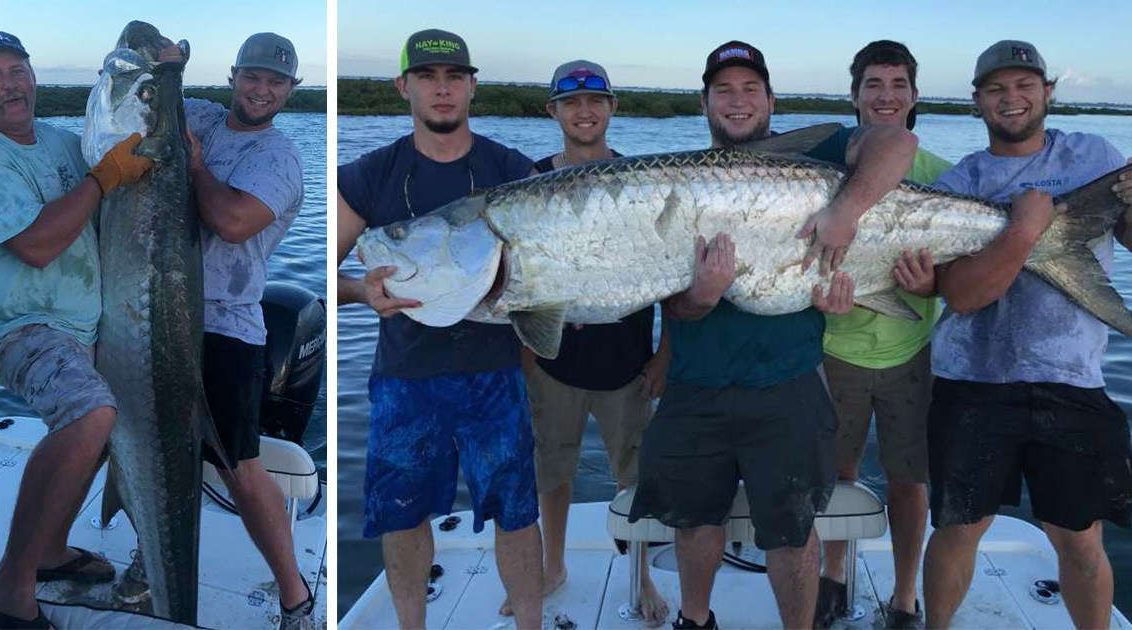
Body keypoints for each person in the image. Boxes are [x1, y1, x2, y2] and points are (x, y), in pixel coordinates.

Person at [627, 40, 918, 630]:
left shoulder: (830, 150)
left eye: (750, 89)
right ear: (705, 103)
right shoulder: (670, 183)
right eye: (724, 91)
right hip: (695, 383)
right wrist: (702, 296)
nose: (738, 102)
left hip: (788, 381)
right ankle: (695, 618)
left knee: (793, 529)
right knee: (693, 519)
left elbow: (897, 143)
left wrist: (846, 210)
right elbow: (675, 306)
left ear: (771, 100)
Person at [0, 30, 152, 629]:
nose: (10, 83)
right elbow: (35, 246)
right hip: (18, 330)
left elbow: (131, 149)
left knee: (101, 427)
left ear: (34, 77)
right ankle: (9, 586)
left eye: (18, 69)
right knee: (91, 414)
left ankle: (53, 551)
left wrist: (163, 76)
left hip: (82, 325)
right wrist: (101, 180)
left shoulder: (63, 142)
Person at [336, 28, 544, 629]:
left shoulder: (511, 169)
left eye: (455, 76)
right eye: (427, 77)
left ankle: (529, 623)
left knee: (515, 513)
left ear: (473, 85)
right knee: (401, 516)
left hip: (495, 374)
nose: (442, 89)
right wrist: (360, 291)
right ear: (404, 86)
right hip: (405, 378)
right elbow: (328, 269)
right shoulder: (370, 175)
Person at [921, 40, 1132, 630]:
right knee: (958, 528)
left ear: (1047, 92)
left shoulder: (1097, 155)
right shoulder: (960, 181)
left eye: (1023, 86)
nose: (1010, 99)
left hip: (1073, 378)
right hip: (971, 382)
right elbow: (961, 295)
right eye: (995, 89)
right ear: (976, 103)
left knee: (1081, 538)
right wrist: (1024, 231)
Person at [112, 32, 314, 630]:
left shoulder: (278, 157)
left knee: (240, 468)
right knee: (130, 444)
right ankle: (150, 563)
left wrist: (193, 163)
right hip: (148, 314)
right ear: (232, 76)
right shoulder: (194, 113)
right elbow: (136, 88)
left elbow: (230, 222)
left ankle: (295, 597)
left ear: (289, 91)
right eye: (253, 76)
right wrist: (161, 60)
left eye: (276, 82)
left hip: (225, 325)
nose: (262, 89)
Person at [517, 58, 670, 626]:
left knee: (635, 475)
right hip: (549, 363)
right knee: (551, 473)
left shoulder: (644, 180)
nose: (585, 111)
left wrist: (666, 354)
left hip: (629, 363)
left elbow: (675, 269)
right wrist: (524, 353)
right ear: (552, 110)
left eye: (596, 101)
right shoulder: (525, 179)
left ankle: (643, 576)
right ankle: (552, 564)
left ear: (612, 108)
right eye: (571, 102)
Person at [814, 40, 952, 630]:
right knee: (835, 472)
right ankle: (834, 575)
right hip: (832, 350)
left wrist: (932, 287)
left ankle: (903, 594)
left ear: (915, 96)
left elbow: (962, 273)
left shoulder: (946, 177)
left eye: (898, 85)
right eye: (874, 85)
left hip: (911, 351)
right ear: (855, 96)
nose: (887, 96)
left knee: (908, 478)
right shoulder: (821, 169)